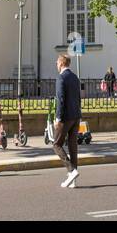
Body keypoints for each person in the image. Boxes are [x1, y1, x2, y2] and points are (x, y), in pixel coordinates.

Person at [53, 54, 81, 188]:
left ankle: (71, 170)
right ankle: (73, 179)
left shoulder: (61, 78)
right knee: (72, 146)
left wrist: (58, 118)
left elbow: (61, 100)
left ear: (61, 63)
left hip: (65, 117)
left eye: (57, 62)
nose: (56, 64)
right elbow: (78, 98)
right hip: (76, 116)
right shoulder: (75, 77)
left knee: (56, 144)